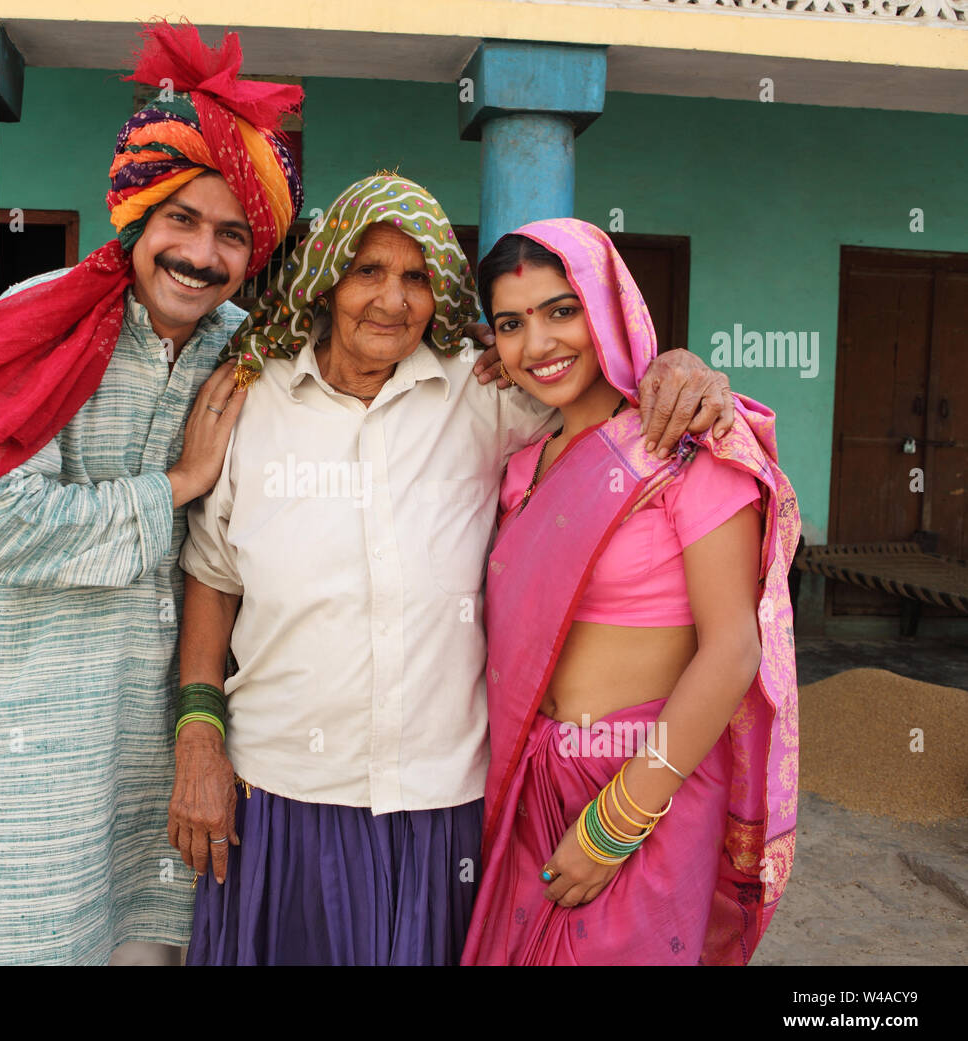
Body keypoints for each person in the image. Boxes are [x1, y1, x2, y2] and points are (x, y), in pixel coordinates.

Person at [169, 176, 737, 965]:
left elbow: (610, 395)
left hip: (440, 809)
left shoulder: (483, 393)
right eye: (369, 270)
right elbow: (214, 574)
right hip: (278, 794)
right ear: (329, 277)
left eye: (417, 278)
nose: (392, 300)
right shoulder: (249, 401)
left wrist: (681, 367)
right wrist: (199, 734)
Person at [0, 21, 304, 965]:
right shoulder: (35, 324)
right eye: (181, 221)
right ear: (136, 217)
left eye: (233, 233)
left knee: (149, 946)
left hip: (160, 739)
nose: (202, 254)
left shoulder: (244, 352)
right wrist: (179, 486)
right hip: (28, 732)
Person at [461, 218, 800, 966]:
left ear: (608, 306)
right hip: (532, 784)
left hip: (643, 784)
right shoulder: (521, 466)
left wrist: (617, 820)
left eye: (562, 309)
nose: (538, 344)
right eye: (511, 324)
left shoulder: (690, 451)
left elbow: (733, 649)